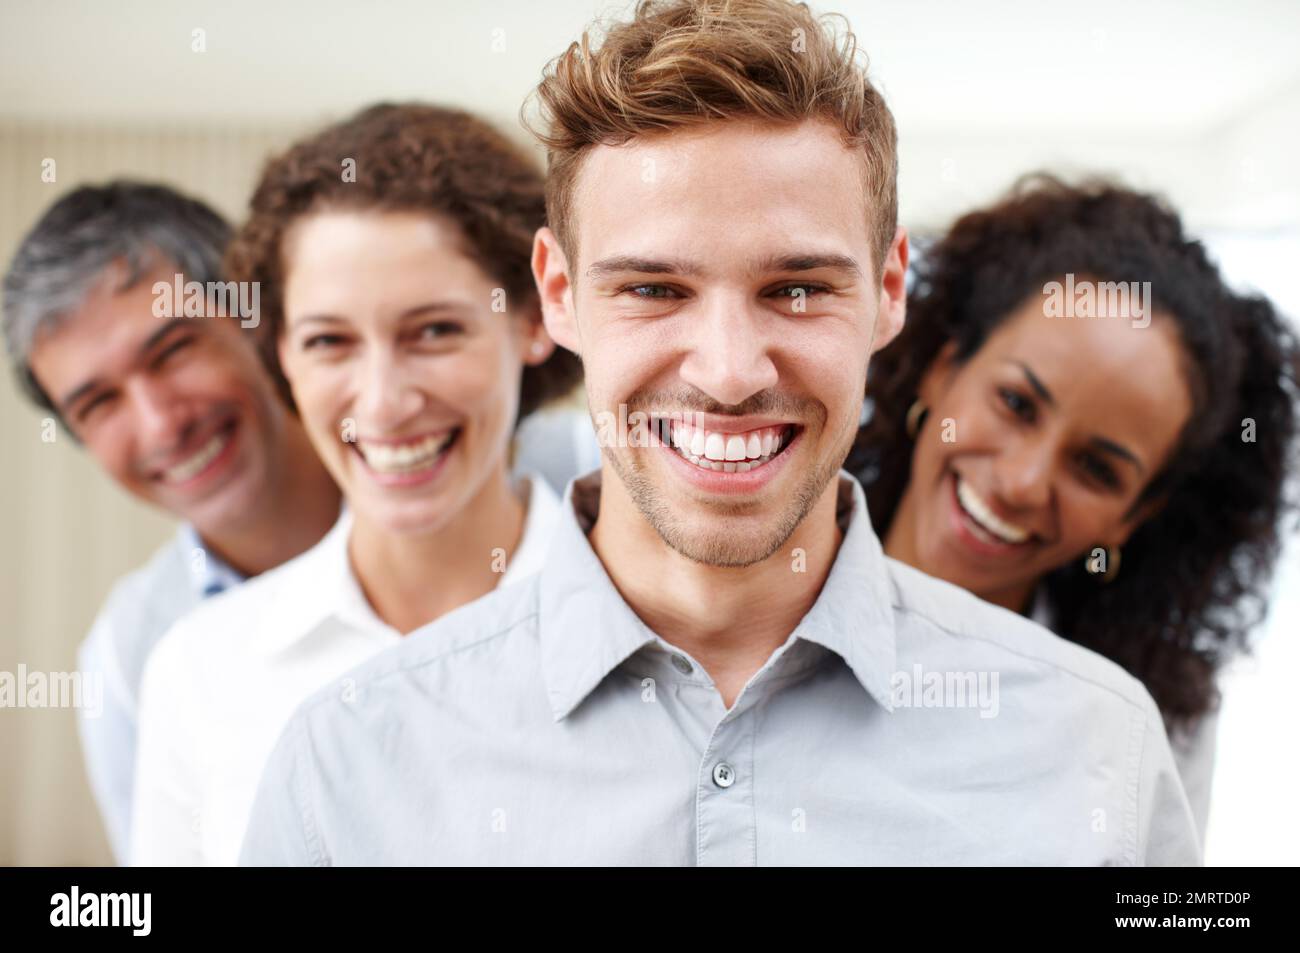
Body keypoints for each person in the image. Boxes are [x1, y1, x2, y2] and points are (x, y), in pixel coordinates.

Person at [239, 0, 1200, 866]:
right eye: (654, 289)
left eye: (797, 289)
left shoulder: (1096, 746)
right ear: (560, 295)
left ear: (890, 291)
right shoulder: (348, 764)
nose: (730, 372)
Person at [129, 103, 583, 865]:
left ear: (534, 320)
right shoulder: (201, 671)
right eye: (329, 341)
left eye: (435, 330)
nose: (381, 401)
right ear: (282, 357)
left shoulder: (656, 629)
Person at [846, 175, 1300, 842]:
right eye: (1017, 404)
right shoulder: (734, 586)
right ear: (943, 370)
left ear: (1135, 515)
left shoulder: (1146, 725)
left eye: (1096, 468)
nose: (1023, 483)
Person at [1, 182, 341, 861]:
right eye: (98, 403)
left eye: (172, 351)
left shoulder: (539, 479)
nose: (162, 425)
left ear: (255, 315)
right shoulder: (131, 656)